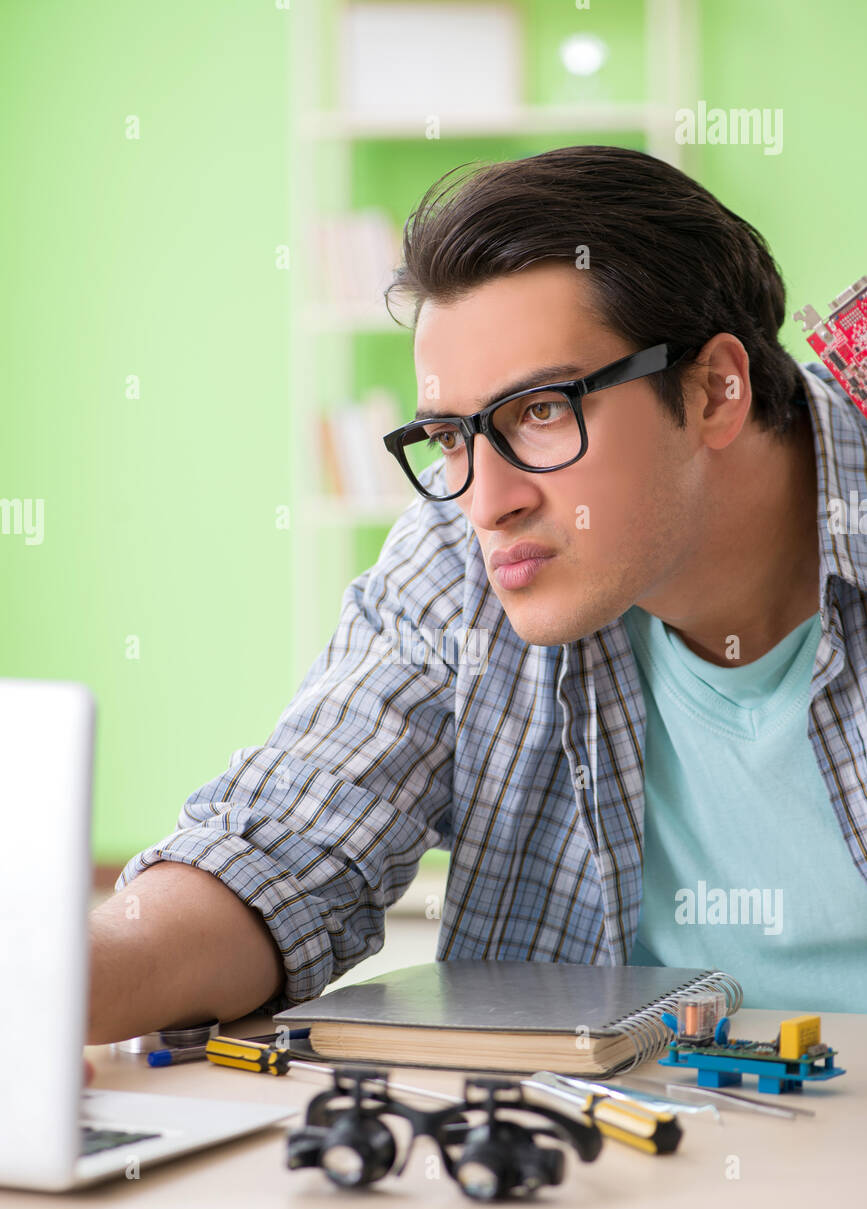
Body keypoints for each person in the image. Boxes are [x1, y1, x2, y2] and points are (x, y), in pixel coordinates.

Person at [87, 144, 867, 1046]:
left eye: (539, 411)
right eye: (449, 438)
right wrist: (53, 983)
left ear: (713, 391)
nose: (486, 502)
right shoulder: (462, 558)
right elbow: (289, 850)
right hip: (614, 1159)